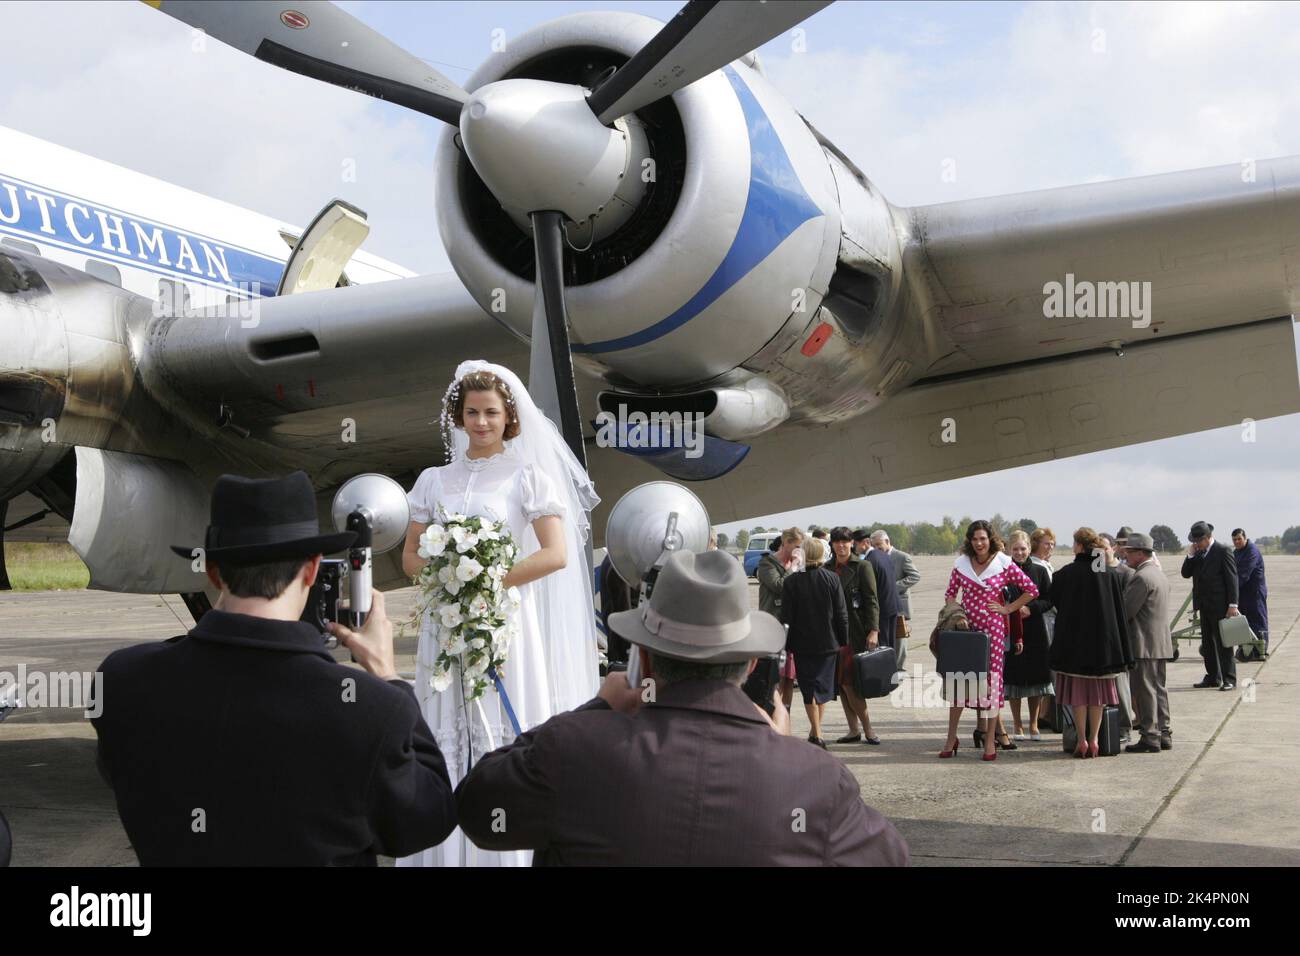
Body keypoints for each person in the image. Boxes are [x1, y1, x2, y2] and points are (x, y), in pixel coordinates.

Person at [454, 550, 910, 866]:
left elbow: (478, 809)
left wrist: (594, 708)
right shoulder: (815, 779)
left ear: (644, 660)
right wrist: (780, 752)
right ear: (751, 664)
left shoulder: (573, 749)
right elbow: (890, 858)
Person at [90, 472, 457, 865]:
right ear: (312, 571)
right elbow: (426, 819)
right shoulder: (371, 707)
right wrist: (387, 676)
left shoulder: (121, 681)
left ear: (213, 573)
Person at [399, 361, 600, 866]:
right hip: (443, 628)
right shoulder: (432, 480)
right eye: (472, 412)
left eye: (490, 412)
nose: (481, 422)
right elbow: (409, 557)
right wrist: (449, 584)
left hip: (504, 625)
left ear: (509, 417)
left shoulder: (528, 476)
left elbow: (556, 554)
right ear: (458, 415)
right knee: (443, 725)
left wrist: (486, 582)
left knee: (497, 727)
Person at [940, 520, 1039, 761]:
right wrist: (958, 614)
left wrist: (1008, 609)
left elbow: (1031, 589)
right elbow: (950, 593)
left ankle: (990, 740)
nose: (979, 543)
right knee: (960, 683)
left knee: (992, 685)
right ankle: (951, 738)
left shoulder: (1003, 564)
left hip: (993, 631)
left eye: (983, 538)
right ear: (970, 542)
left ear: (990, 539)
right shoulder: (961, 564)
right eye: (975, 539)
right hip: (966, 631)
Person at [1048, 527, 1135, 758]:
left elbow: (1049, 600)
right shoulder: (1108, 573)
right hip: (1102, 651)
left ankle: (1082, 739)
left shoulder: (1067, 573)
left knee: (1078, 697)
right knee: (1097, 698)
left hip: (1075, 649)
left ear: (1078, 546)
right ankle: (1095, 739)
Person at [781, 537, 849, 747]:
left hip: (801, 643)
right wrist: (843, 639)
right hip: (828, 642)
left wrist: (785, 643)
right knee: (823, 689)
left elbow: (786, 617)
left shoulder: (791, 581)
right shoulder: (832, 579)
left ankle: (815, 732)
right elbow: (841, 613)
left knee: (809, 688)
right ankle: (816, 732)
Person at [828, 526, 881, 745]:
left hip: (856, 631)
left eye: (845, 541)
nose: (841, 545)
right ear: (831, 544)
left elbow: (871, 600)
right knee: (841, 684)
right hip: (833, 633)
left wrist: (874, 630)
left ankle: (868, 729)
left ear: (852, 543)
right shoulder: (826, 568)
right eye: (837, 542)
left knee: (851, 683)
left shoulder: (862, 566)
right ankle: (853, 730)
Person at [1121, 533, 1174, 752]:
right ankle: (1164, 732)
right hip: (1160, 642)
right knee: (1159, 688)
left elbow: (1126, 610)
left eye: (1130, 552)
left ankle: (1150, 736)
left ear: (1141, 553)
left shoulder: (1141, 578)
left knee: (1145, 691)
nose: (1126, 555)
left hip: (1143, 643)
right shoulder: (1159, 575)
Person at [1002, 530, 1054, 740]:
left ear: (1029, 549)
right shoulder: (1003, 571)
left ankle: (1033, 724)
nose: (1020, 553)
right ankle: (1017, 724)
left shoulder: (1040, 571)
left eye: (1023, 549)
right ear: (1008, 550)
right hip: (1012, 630)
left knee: (1036, 679)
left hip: (1034, 630)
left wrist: (1030, 609)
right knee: (1014, 679)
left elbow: (1050, 599)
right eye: (1015, 549)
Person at [1181, 521, 1239, 691]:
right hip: (1204, 606)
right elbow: (1185, 573)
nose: (1195, 544)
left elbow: (1232, 579)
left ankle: (1229, 678)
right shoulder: (1198, 553)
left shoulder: (1222, 551)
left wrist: (1233, 604)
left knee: (1224, 643)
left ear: (1207, 538)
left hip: (1221, 606)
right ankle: (1213, 676)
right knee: (1207, 644)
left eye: (1198, 541)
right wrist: (1190, 556)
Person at [758, 528, 804, 709]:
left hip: (793, 625)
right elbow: (780, 586)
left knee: (789, 676)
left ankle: (786, 712)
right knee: (775, 673)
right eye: (797, 546)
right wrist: (792, 569)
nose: (799, 550)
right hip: (773, 625)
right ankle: (772, 711)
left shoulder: (797, 563)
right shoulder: (766, 563)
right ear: (786, 543)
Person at [1099, 532, 1137, 743]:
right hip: (1100, 637)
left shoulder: (1125, 573)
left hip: (1119, 637)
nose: (1101, 551)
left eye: (1104, 547)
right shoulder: (1095, 572)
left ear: (1113, 548)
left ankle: (1124, 726)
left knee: (1121, 685)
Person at [872, 529, 920, 671]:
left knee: (900, 637)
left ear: (887, 542)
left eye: (878, 545)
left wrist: (893, 587)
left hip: (899, 603)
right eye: (873, 546)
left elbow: (915, 576)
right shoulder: (875, 558)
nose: (876, 549)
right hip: (883, 603)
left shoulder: (902, 557)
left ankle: (899, 667)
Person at [1231, 528, 1269, 660]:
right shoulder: (1236, 552)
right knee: (1244, 621)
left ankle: (1261, 650)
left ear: (1245, 538)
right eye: (1234, 540)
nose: (1237, 542)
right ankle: (1246, 647)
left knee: (1258, 620)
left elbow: (1243, 574)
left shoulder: (1252, 551)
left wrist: (1230, 588)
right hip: (1243, 592)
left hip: (1255, 592)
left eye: (1239, 539)